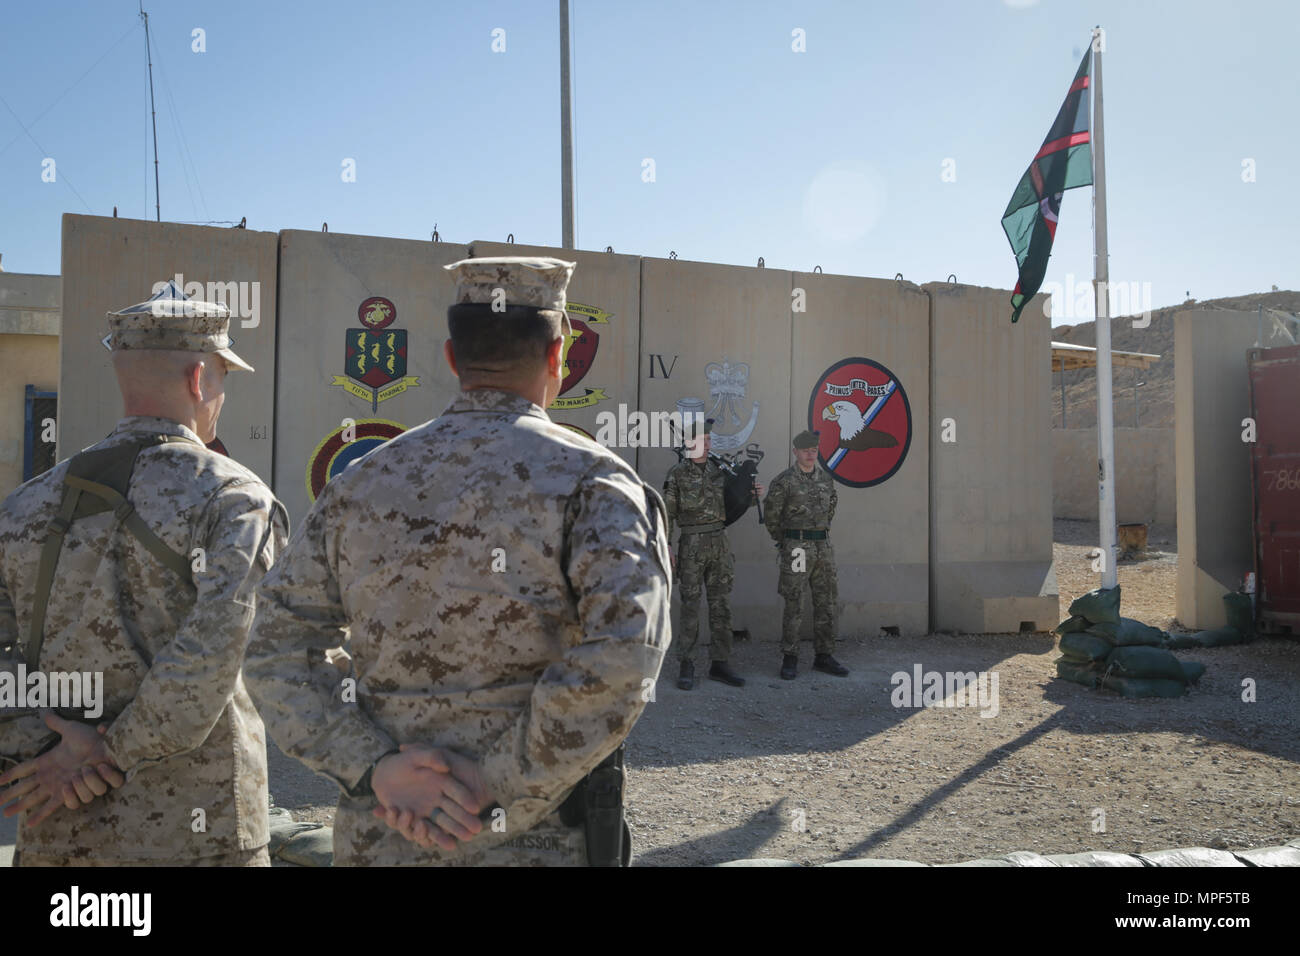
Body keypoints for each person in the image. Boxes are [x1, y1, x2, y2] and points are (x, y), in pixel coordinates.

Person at [242, 256, 671, 866]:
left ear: (451, 357)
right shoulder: (597, 483)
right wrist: (492, 787)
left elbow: (273, 644)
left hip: (385, 834)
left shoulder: (360, 482)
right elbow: (626, 656)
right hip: (537, 841)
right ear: (559, 355)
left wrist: (374, 768)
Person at [0, 282, 288, 866]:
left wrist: (51, 754)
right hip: (197, 830)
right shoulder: (233, 498)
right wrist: (111, 756)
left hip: (60, 823)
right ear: (199, 379)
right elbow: (212, 657)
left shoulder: (24, 506)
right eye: (223, 381)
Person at [662, 418, 763, 690]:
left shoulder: (720, 472)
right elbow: (668, 514)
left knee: (721, 606)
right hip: (692, 545)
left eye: (708, 441)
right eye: (700, 441)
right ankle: (687, 664)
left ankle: (720, 663)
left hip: (719, 543)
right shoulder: (678, 474)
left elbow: (734, 501)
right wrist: (667, 545)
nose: (706, 445)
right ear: (688, 444)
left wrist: (752, 495)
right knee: (690, 607)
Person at [763, 430, 849, 680]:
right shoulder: (784, 481)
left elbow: (830, 510)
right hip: (797, 547)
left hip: (823, 546)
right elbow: (771, 516)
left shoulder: (826, 480)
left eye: (814, 450)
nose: (810, 455)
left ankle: (824, 655)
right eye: (805, 451)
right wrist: (785, 543)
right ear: (795, 452)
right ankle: (790, 657)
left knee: (826, 601)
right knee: (795, 602)